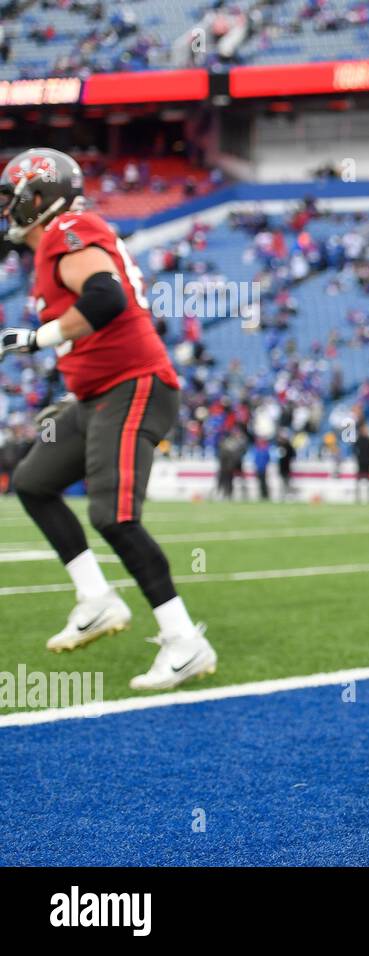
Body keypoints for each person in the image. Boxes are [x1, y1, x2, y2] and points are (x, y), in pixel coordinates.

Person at [0, 147, 217, 690]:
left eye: (12, 200)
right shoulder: (55, 242)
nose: (6, 210)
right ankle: (96, 598)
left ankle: (184, 640)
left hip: (133, 383)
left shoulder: (65, 229)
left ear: (39, 199)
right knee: (33, 482)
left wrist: (36, 338)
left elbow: (105, 296)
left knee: (113, 515)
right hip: (99, 393)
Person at [354, 422, 369, 503]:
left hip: (367, 463)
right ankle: (358, 498)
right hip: (360, 463)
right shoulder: (358, 441)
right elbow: (355, 450)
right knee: (358, 482)